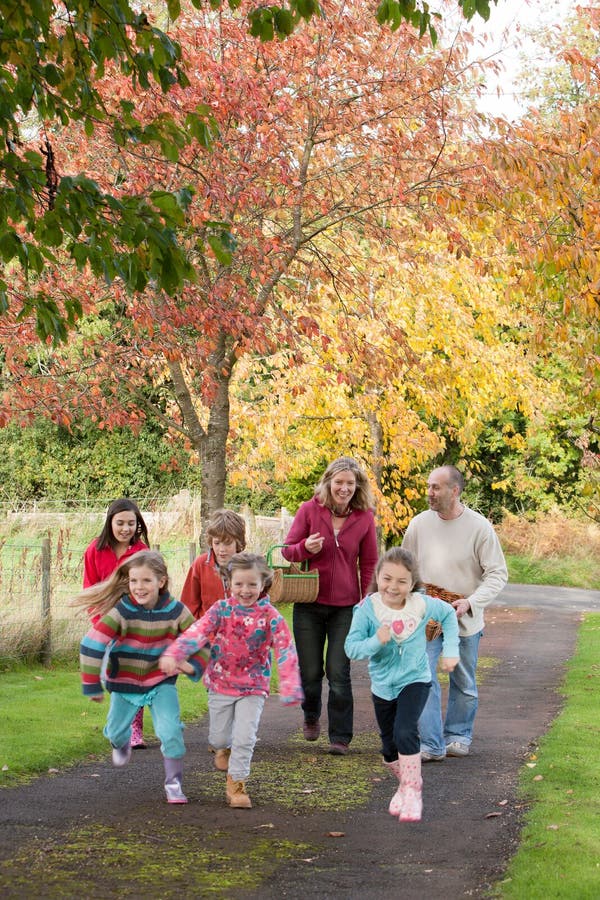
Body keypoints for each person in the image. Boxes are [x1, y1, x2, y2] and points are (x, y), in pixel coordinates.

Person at [159, 552, 303, 809]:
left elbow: (286, 649)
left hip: (254, 686)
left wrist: (290, 684)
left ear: (263, 585)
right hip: (221, 683)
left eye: (252, 584)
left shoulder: (270, 616)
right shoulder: (221, 610)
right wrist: (175, 653)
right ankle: (222, 749)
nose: (245, 590)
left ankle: (237, 785)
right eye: (238, 584)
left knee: (245, 737)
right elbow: (197, 632)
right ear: (228, 583)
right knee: (218, 737)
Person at [76, 550, 208, 804]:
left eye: (146, 581)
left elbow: (200, 642)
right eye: (134, 581)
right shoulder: (121, 612)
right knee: (115, 732)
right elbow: (91, 644)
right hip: (124, 683)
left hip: (161, 681)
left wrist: (192, 667)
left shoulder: (176, 611)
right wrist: (91, 684)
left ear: (161, 581)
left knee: (170, 731)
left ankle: (174, 784)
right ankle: (120, 742)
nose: (139, 587)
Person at [401, 465, 508, 761]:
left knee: (463, 680)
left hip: (464, 618)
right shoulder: (419, 524)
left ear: (454, 490)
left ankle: (458, 735)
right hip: (428, 615)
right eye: (428, 486)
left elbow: (497, 573)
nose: (429, 493)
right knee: (422, 676)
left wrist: (471, 602)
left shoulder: (479, 527)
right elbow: (405, 566)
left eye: (436, 487)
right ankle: (432, 743)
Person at [345, 547, 459, 822]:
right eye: (387, 578)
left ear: (412, 584)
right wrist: (376, 641)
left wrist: (451, 650)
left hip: (415, 679)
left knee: (405, 730)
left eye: (401, 581)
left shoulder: (422, 604)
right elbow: (352, 648)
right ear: (378, 577)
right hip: (383, 686)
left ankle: (413, 790)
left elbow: (449, 615)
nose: (393, 587)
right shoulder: (367, 610)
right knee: (388, 747)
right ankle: (404, 783)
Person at [281, 456, 378, 756]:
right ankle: (311, 714)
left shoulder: (364, 518)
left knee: (338, 672)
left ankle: (340, 737)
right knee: (311, 673)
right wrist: (303, 548)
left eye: (350, 483)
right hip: (309, 603)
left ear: (357, 486)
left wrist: (365, 599)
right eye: (339, 482)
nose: (344, 488)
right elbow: (287, 551)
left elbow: (370, 562)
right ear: (328, 482)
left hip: (346, 608)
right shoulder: (309, 510)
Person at [83, 498, 150, 749]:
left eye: (131, 523)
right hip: (107, 623)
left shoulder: (142, 553)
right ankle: (117, 722)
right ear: (110, 522)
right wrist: (100, 622)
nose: (125, 529)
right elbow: (89, 587)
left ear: (137, 525)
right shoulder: (95, 551)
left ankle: (134, 729)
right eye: (120, 523)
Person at [180, 509, 246, 618]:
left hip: (237, 630)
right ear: (211, 541)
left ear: (238, 543)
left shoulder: (248, 568)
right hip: (206, 631)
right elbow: (188, 606)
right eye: (217, 543)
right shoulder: (200, 565)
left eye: (227, 543)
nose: (221, 549)